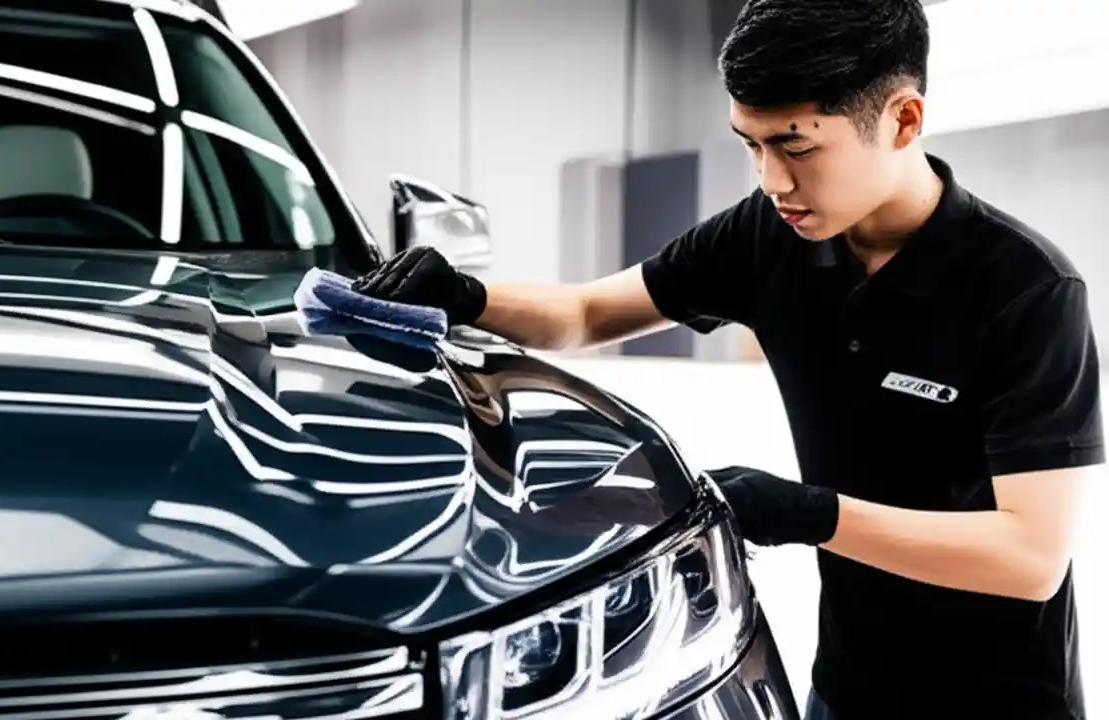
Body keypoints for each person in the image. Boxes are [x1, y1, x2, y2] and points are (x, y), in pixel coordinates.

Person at [353, 0, 1103, 717]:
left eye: (797, 146)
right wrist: (465, 295)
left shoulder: (1026, 289)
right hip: (846, 687)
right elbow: (587, 312)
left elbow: (1028, 559)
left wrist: (810, 514)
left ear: (904, 119)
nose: (772, 180)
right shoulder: (767, 235)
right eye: (752, 144)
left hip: (1000, 702)